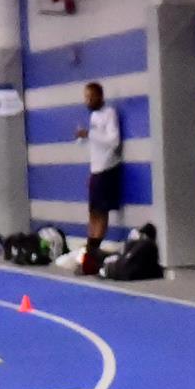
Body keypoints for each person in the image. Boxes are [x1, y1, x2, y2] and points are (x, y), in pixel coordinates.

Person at [74, 82, 122, 275]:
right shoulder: (93, 116)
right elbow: (93, 143)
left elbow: (113, 141)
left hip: (108, 168)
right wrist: (82, 137)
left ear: (100, 96)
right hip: (96, 169)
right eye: (86, 97)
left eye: (90, 97)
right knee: (92, 212)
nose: (87, 101)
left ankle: (93, 252)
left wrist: (90, 134)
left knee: (101, 212)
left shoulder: (109, 113)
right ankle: (90, 250)